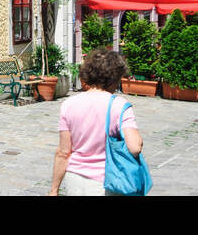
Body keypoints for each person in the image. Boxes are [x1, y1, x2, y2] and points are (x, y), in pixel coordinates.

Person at [50, 47, 142, 196]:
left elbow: (63, 152)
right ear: (114, 77)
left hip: (74, 179)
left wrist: (54, 189)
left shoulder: (68, 104)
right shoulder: (119, 106)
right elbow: (135, 147)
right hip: (106, 180)